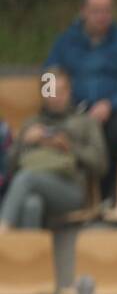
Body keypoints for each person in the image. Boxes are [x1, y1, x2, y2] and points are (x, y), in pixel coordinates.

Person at [44, 0, 117, 199]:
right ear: (83, 11)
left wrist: (112, 104)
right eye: (96, 11)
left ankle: (110, 195)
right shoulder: (65, 42)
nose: (102, 16)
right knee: (63, 131)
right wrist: (56, 99)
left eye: (107, 10)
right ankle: (72, 195)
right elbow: (48, 76)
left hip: (113, 113)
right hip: (74, 110)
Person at [0, 67, 106, 232]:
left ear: (69, 91)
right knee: (32, 204)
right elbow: (9, 166)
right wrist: (25, 142)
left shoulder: (85, 122)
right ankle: (31, 255)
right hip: (34, 184)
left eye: (60, 91)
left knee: (26, 178)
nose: (55, 97)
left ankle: (2, 232)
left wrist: (70, 147)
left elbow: (101, 164)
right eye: (50, 92)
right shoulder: (32, 124)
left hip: (71, 189)